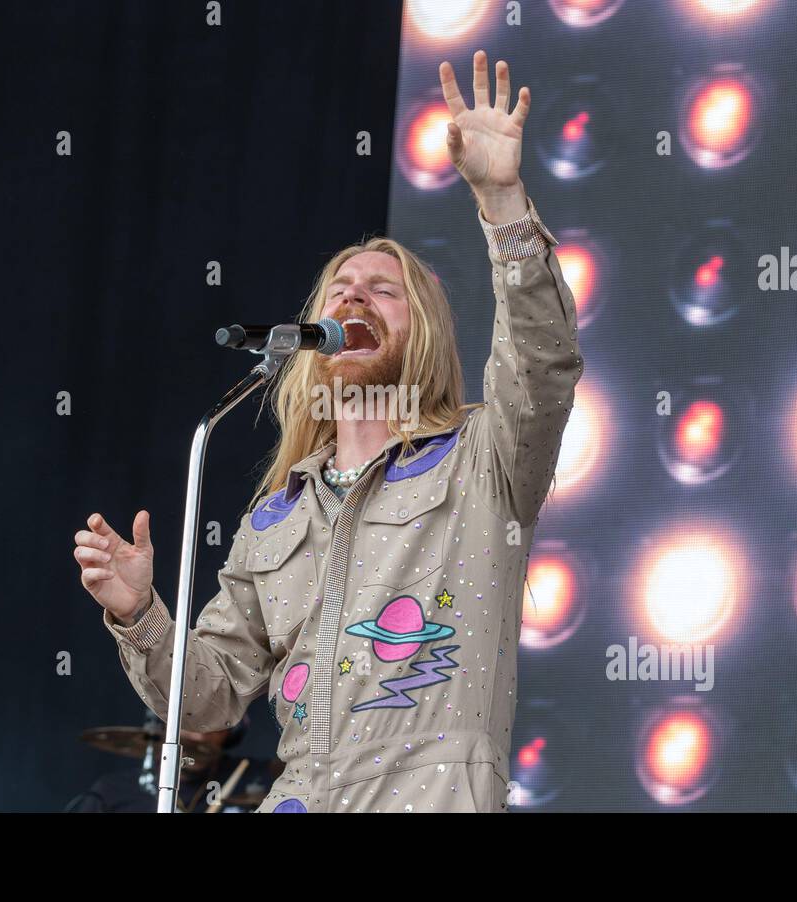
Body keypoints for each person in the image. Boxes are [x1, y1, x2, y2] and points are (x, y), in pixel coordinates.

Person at [73, 51, 583, 812]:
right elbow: (208, 703)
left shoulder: (483, 460)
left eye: (384, 290)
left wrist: (503, 204)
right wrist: (140, 614)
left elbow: (543, 364)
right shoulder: (276, 517)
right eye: (341, 290)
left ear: (427, 335)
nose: (356, 298)